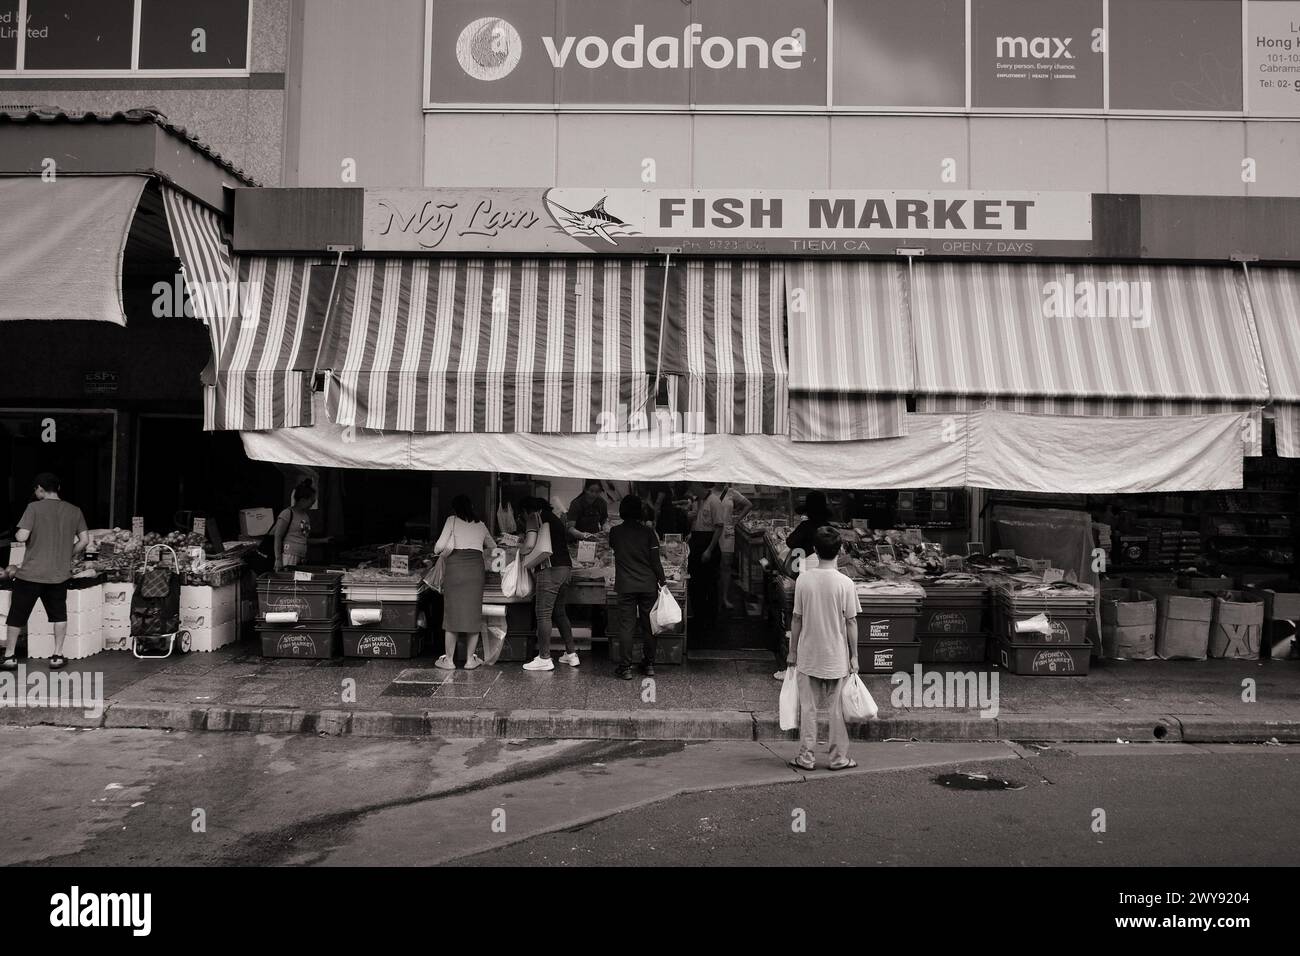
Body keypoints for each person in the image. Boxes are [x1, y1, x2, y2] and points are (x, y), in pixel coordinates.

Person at [786, 526, 859, 772]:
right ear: (840, 550)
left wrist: (792, 651)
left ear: (815, 550)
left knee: (808, 709)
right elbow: (851, 621)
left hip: (808, 654)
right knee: (836, 710)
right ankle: (838, 758)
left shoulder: (803, 580)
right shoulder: (846, 583)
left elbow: (796, 618)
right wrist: (854, 656)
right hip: (836, 656)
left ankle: (806, 758)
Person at [2, 473, 89, 671]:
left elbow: (22, 536)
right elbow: (85, 540)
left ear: (40, 488)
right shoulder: (74, 511)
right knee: (59, 614)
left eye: (36, 490)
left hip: (30, 574)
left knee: (17, 615)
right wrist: (68, 554)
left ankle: (9, 657)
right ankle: (57, 656)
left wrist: (17, 532)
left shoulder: (33, 507)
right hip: (58, 574)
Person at [519, 497, 590, 672]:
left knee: (543, 614)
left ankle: (544, 657)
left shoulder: (534, 517)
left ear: (529, 509)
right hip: (565, 569)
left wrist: (517, 551)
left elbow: (529, 545)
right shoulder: (555, 518)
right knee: (559, 613)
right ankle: (571, 654)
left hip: (549, 569)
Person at [432, 495, 497, 670]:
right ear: (472, 506)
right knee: (473, 615)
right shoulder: (481, 525)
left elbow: (438, 547)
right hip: (475, 572)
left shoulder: (451, 520)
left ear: (455, 509)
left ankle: (449, 661)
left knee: (452, 615)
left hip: (455, 571)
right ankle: (470, 660)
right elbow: (493, 547)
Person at [775, 490, 834, 680]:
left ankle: (793, 666)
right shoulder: (829, 528)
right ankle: (820, 664)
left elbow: (791, 541)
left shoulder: (806, 526)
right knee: (821, 621)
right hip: (829, 579)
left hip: (807, 577)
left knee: (798, 619)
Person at [609, 494, 667, 680]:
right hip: (647, 585)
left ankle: (626, 668)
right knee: (648, 625)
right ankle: (649, 664)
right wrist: (663, 581)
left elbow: (614, 548)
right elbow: (655, 562)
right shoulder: (648, 533)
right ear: (640, 511)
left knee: (626, 626)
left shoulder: (615, 532)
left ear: (622, 511)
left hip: (625, 585)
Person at [687, 483, 724, 632]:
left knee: (710, 584)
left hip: (709, 543)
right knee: (695, 583)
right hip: (696, 542)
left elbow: (719, 527)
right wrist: (690, 523)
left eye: (693, 487)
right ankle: (698, 616)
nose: (691, 490)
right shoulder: (696, 501)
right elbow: (695, 524)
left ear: (700, 486)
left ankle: (711, 619)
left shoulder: (714, 501)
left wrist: (709, 550)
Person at [717, 482, 753, 613]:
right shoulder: (708, 492)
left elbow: (749, 504)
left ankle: (725, 597)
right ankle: (713, 597)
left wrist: (737, 519)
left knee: (726, 565)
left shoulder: (731, 492)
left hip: (727, 532)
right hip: (711, 531)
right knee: (713, 564)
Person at [273, 479, 316, 571]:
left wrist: (324, 540)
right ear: (303, 500)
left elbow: (303, 538)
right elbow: (278, 536)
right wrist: (278, 559)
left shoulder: (306, 516)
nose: (312, 504)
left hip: (301, 557)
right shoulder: (287, 513)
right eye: (311, 501)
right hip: (289, 556)